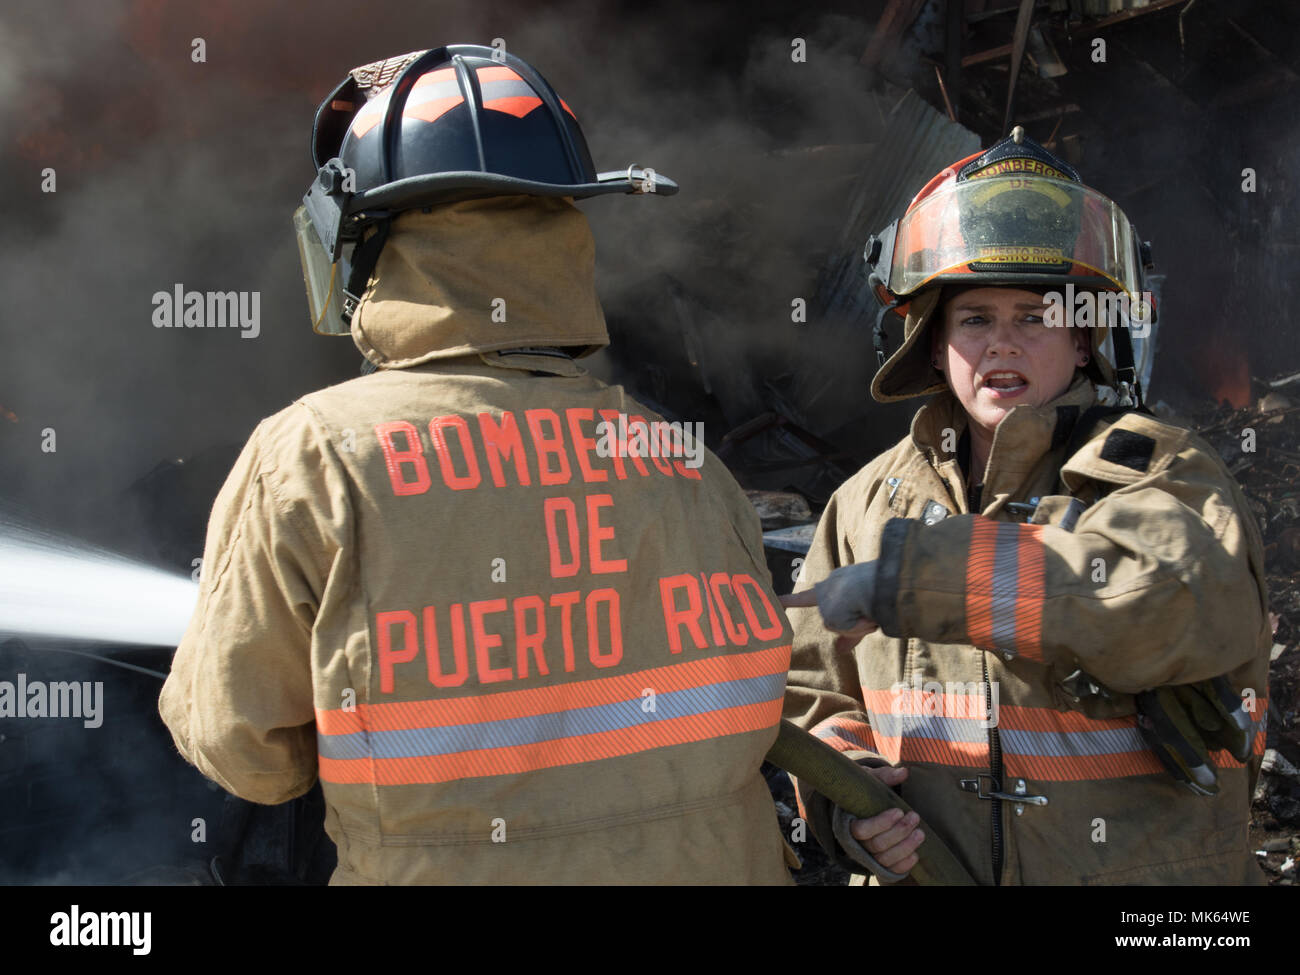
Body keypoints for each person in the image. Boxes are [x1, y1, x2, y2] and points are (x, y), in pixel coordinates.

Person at [158, 45, 795, 885]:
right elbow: (757, 705)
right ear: (563, 229)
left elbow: (247, 754)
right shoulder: (680, 460)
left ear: (362, 239)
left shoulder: (311, 458)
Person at [781, 129, 1271, 885]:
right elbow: (812, 696)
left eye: (1033, 317)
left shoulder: (1162, 473)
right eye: (975, 318)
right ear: (934, 341)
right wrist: (849, 796)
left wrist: (919, 583)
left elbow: (1168, 604)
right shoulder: (864, 504)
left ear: (1082, 341)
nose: (1001, 345)